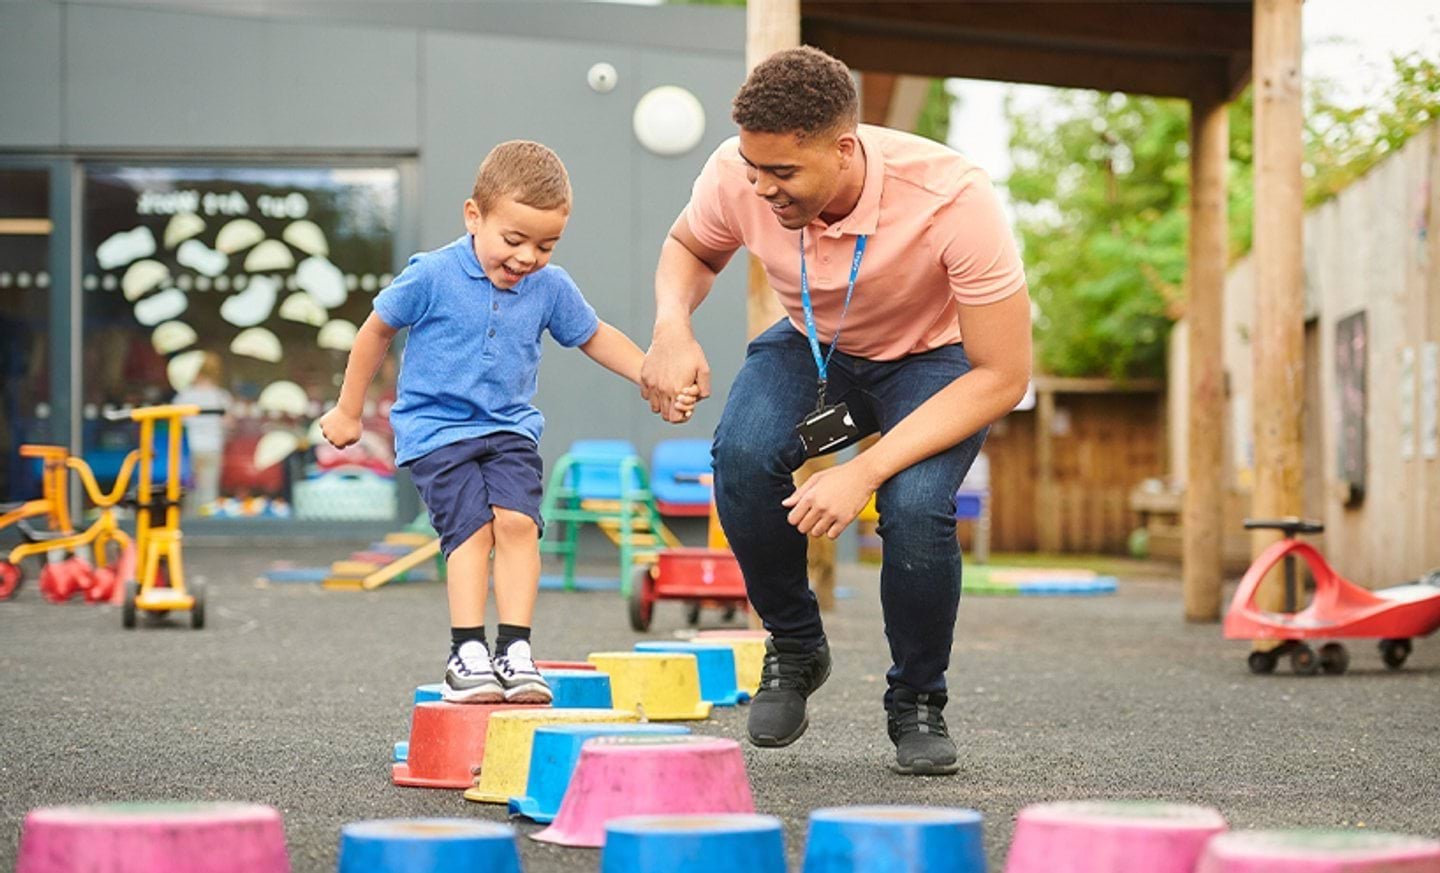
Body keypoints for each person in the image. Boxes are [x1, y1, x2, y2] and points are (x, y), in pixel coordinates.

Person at [640, 47, 1032, 775]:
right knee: (744, 455)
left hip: (937, 362)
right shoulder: (739, 171)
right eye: (754, 169)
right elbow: (689, 246)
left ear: (844, 148)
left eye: (783, 173)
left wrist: (866, 468)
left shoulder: (952, 197)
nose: (761, 189)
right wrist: (672, 326)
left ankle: (917, 699)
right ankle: (794, 645)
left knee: (913, 505)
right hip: (820, 349)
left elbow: (1003, 375)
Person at [320, 140, 696, 705]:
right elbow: (376, 330)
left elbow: (594, 336)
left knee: (519, 525)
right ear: (475, 216)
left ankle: (514, 648)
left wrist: (653, 374)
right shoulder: (433, 275)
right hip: (436, 429)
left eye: (546, 245)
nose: (527, 258)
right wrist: (349, 409)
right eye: (514, 240)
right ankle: (466, 651)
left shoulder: (549, 286)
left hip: (509, 429)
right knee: (472, 532)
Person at [173, 351, 232, 515]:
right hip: (213, 446)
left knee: (190, 487)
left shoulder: (185, 396)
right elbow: (228, 422)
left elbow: (175, 420)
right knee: (209, 488)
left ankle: (190, 521)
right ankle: (207, 522)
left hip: (190, 447)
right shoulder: (220, 396)